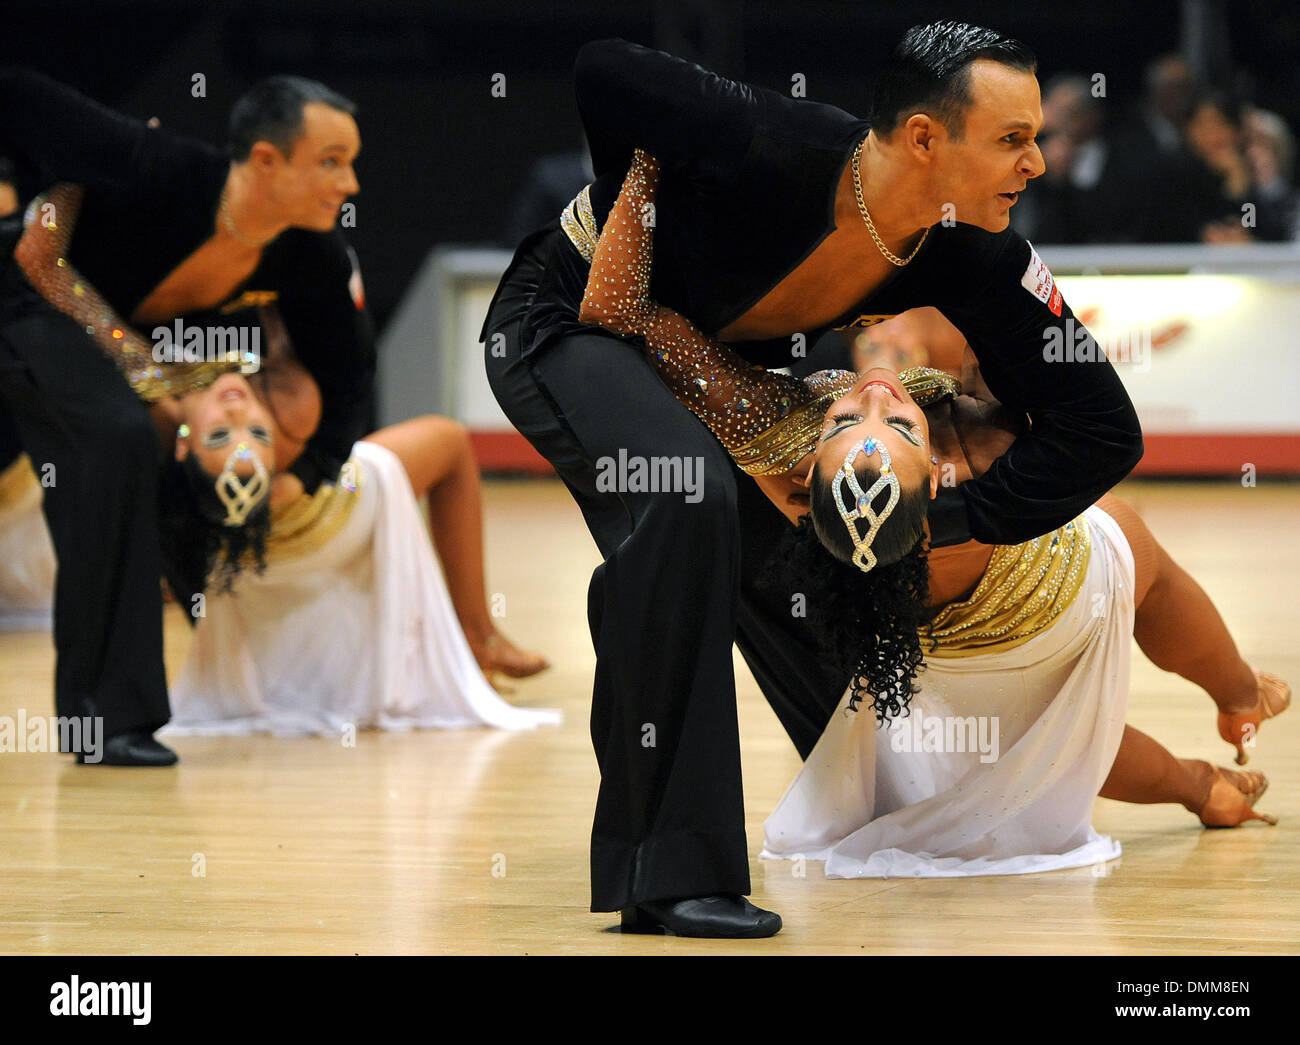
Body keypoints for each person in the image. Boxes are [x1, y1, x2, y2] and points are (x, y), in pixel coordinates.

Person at [483, 23, 1143, 937]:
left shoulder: (976, 248)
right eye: (1011, 138)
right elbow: (604, 68)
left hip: (692, 361)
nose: (1037, 159)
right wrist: (632, 198)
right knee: (686, 497)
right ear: (922, 138)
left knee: (817, 573)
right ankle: (666, 873)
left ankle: (875, 807)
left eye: (1034, 136)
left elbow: (1101, 428)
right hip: (568, 320)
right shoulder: (766, 141)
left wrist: (937, 520)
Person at [582, 149, 1287, 879]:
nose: (880, 390)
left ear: (810, 472)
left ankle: (1201, 783)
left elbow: (618, 312)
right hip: (1048, 591)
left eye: (849, 413)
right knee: (1134, 569)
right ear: (943, 476)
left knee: (1037, 753)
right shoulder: (988, 451)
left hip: (932, 640)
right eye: (903, 424)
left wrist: (648, 159)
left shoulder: (782, 439)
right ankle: (1239, 695)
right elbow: (1072, 393)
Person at [12, 184, 553, 736]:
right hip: (328, 511)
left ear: (182, 447)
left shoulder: (164, 402)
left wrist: (69, 182)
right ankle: (479, 634)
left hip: (247, 534)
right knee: (449, 441)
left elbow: (54, 277)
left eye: (221, 436)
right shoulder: (289, 407)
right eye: (250, 434)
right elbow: (332, 337)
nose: (235, 404)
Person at [0, 70, 370, 765]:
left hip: (86, 355)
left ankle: (107, 722)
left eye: (350, 164)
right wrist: (138, 364)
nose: (350, 184)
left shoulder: (308, 251)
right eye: (331, 162)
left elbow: (349, 372)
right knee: (116, 433)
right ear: (266, 159)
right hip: (23, 298)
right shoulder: (157, 168)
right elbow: (17, 102)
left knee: (124, 442)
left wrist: (313, 472)